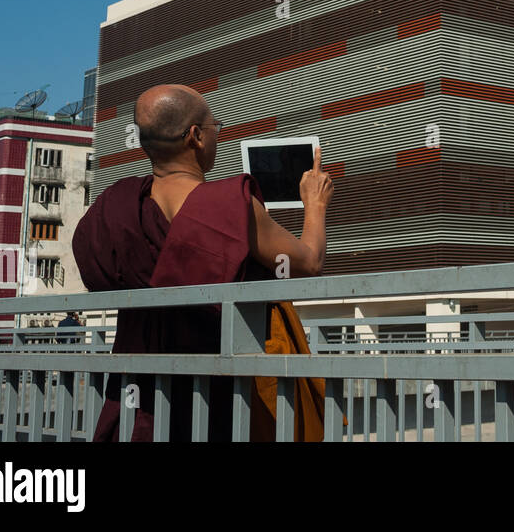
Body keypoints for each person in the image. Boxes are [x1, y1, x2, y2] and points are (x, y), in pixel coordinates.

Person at [72, 84, 333, 441]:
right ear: (195, 136)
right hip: (213, 385)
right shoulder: (228, 204)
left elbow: (95, 273)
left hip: (139, 383)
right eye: (215, 128)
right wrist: (314, 204)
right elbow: (308, 262)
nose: (216, 137)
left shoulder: (114, 206)